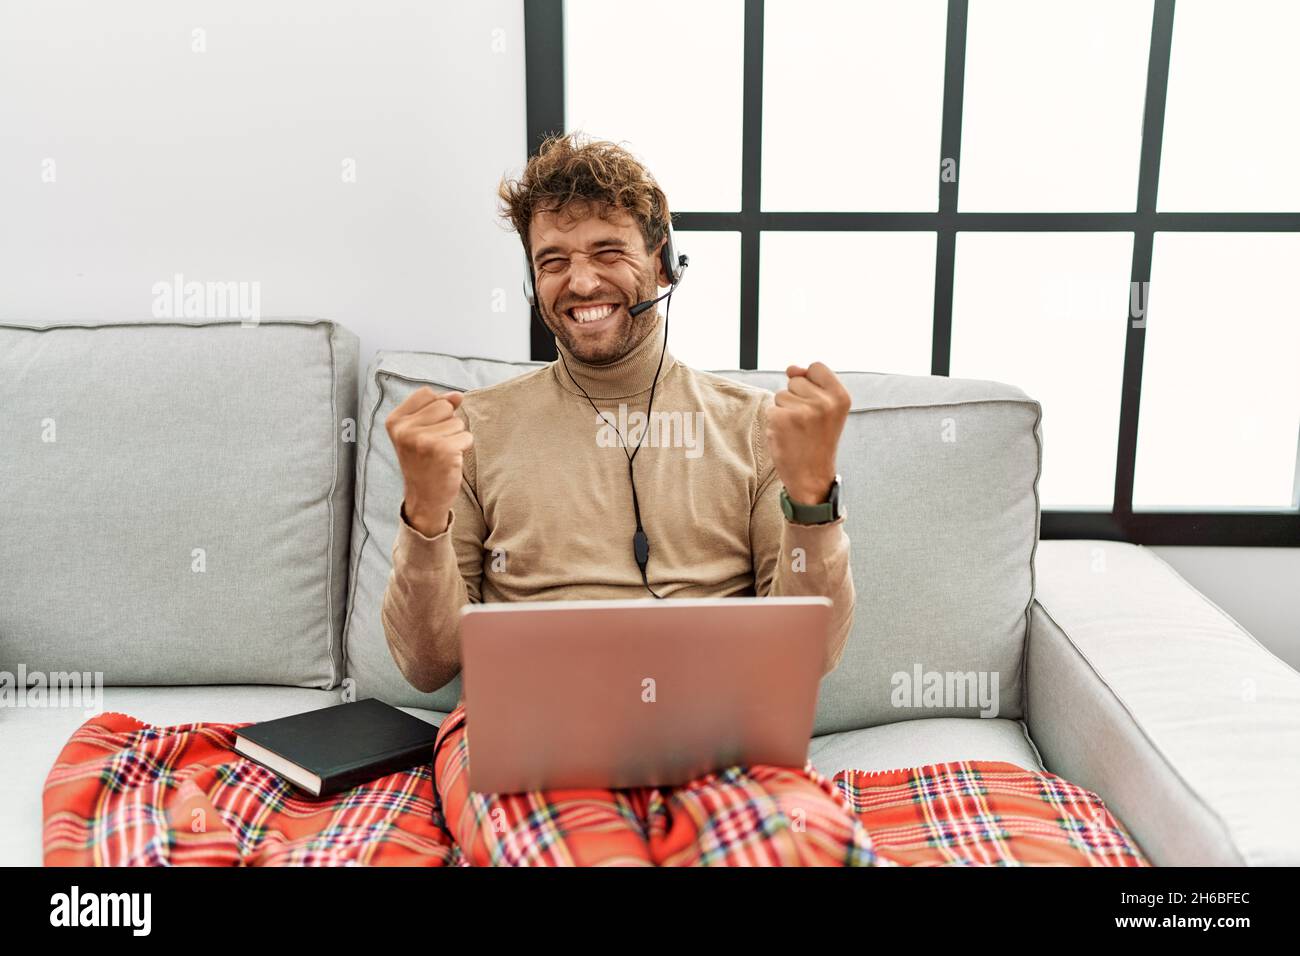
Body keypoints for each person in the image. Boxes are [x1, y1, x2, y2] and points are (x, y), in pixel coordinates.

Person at [380, 132, 873, 866]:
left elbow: (815, 657)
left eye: (607, 251)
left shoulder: (755, 426)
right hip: (526, 729)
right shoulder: (473, 429)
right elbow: (425, 665)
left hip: (717, 731)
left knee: (794, 852)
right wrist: (424, 513)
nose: (580, 283)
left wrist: (812, 499)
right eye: (553, 261)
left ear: (663, 262)